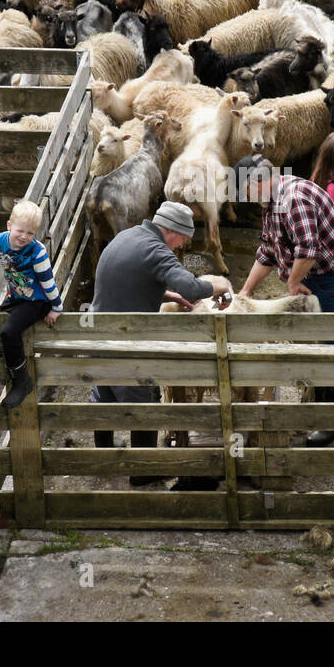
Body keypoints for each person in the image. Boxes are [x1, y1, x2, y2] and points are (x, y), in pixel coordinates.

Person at [90, 200, 232, 485]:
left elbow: (129, 281)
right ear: (170, 231)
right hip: (126, 342)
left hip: (99, 335)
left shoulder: (127, 236)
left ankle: (102, 458)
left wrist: (168, 296)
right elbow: (191, 286)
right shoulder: (156, 250)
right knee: (144, 400)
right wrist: (221, 285)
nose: (181, 247)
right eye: (182, 239)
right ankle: (143, 472)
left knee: (103, 395)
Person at [234, 154, 334, 446]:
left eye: (246, 190)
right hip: (312, 274)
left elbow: (308, 248)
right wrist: (246, 292)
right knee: (318, 341)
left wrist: (293, 282)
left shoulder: (293, 200)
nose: (245, 197)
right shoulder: (270, 203)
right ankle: (321, 403)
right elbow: (267, 250)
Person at [0, 199, 61, 408]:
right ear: (9, 225)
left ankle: (22, 381)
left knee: (8, 332)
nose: (24, 237)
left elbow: (48, 282)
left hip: (37, 301)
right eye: (20, 230)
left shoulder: (37, 252)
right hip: (16, 297)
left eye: (30, 233)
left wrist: (56, 307)